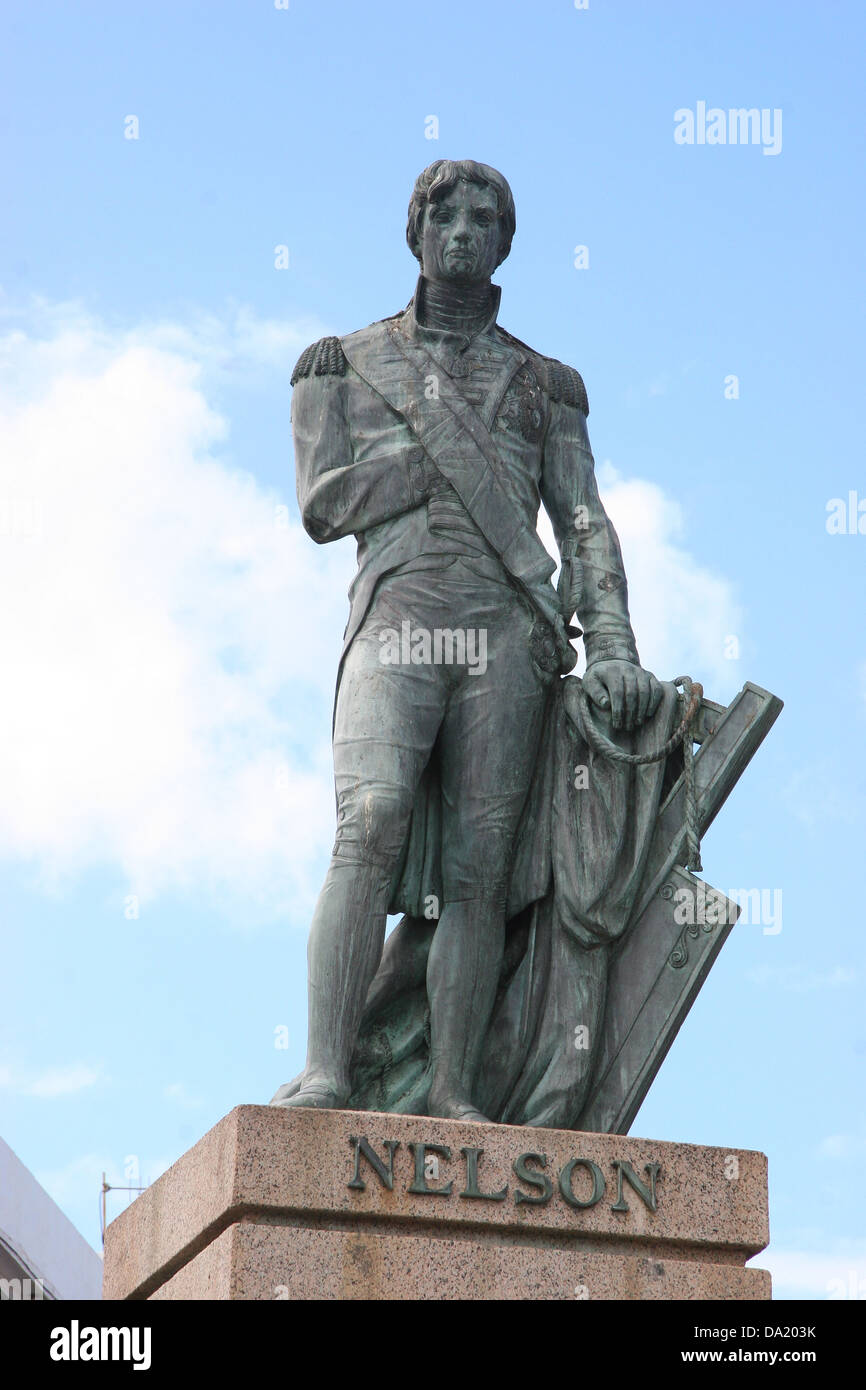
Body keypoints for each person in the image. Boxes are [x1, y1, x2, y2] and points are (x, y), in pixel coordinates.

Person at [272, 159, 661, 1122]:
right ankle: (327, 1069)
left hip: (507, 636)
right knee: (368, 824)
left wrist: (610, 643)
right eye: (444, 213)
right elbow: (322, 506)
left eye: (484, 218)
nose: (462, 230)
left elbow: (583, 523)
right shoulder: (344, 361)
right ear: (415, 230)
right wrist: (430, 460)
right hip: (398, 615)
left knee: (479, 872)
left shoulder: (548, 386)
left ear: (504, 242)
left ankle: (452, 1089)